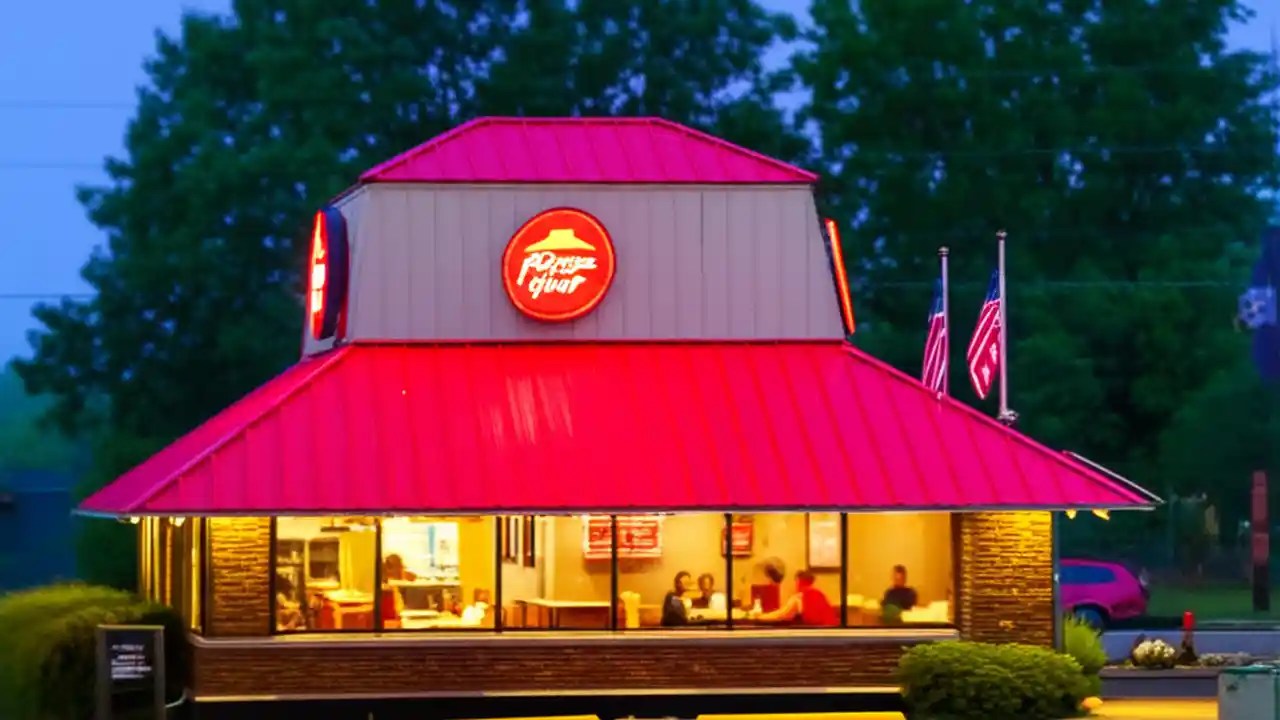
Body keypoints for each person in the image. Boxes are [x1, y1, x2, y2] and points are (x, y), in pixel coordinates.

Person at [754, 570, 838, 626]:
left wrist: (760, 617)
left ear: (798, 581)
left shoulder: (799, 597)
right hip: (833, 631)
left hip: (817, 634)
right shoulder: (820, 594)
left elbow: (781, 615)